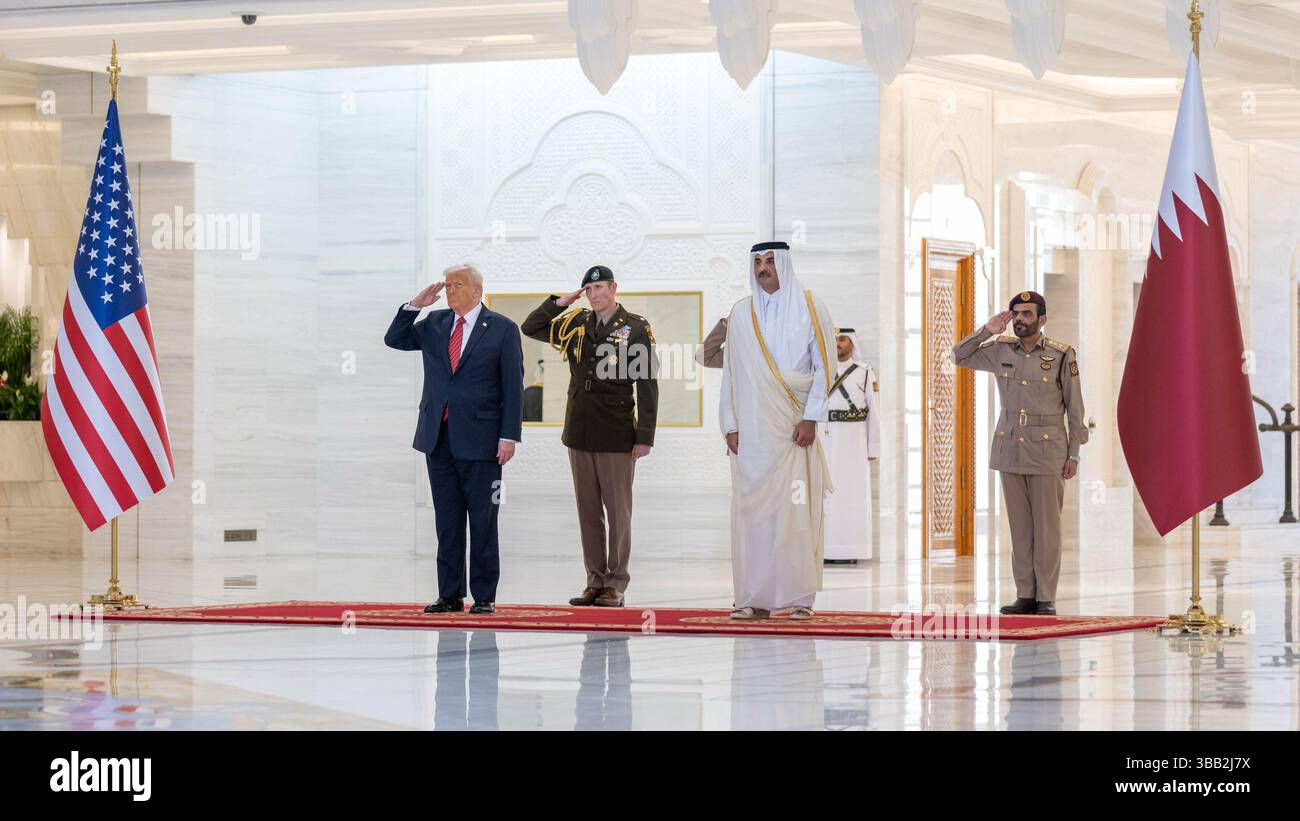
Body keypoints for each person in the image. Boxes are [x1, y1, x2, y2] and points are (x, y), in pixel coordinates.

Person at [384, 263, 524, 616]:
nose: (449, 291)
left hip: (483, 441)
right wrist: (416, 304)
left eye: (457, 285)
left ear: (478, 291)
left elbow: (513, 387)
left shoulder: (503, 329)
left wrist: (509, 436)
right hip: (438, 438)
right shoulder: (434, 323)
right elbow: (395, 339)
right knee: (447, 520)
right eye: (447, 285)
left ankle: (483, 596)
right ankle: (449, 594)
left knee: (483, 519)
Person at [520, 265, 658, 607]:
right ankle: (595, 581)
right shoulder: (576, 322)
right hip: (579, 427)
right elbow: (531, 327)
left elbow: (648, 384)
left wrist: (645, 435)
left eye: (599, 287)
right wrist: (560, 303)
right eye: (588, 289)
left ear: (613, 288)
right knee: (588, 511)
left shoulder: (635, 327)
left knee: (618, 511)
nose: (594, 294)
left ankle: (616, 583)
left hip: (616, 429)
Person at [951, 291, 1087, 616]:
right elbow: (958, 355)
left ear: (1042, 319)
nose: (1019, 320)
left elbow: (1075, 408)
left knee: (1047, 529)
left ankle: (1046, 597)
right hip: (1010, 448)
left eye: (1026, 314)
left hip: (1048, 450)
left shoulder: (1061, 355)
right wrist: (988, 330)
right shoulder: (999, 350)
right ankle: (1025, 594)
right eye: (1015, 315)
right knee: (1020, 527)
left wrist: (1074, 453)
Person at [720, 241, 836, 620]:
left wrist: (811, 417)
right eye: (757, 262)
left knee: (796, 508)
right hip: (752, 432)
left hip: (792, 428)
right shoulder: (741, 313)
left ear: (784, 263)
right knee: (752, 514)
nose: (763, 268)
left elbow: (824, 365)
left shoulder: (809, 305)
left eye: (770, 261)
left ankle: (800, 598)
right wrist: (730, 425)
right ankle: (754, 598)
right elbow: (731, 374)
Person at [822, 328, 880, 562]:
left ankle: (852, 550)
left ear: (852, 344)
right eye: (834, 339)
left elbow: (873, 412)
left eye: (842, 339)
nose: (838, 343)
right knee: (827, 494)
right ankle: (826, 550)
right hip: (825, 436)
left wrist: (873, 447)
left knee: (852, 494)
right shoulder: (821, 371)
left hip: (854, 439)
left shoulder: (865, 373)